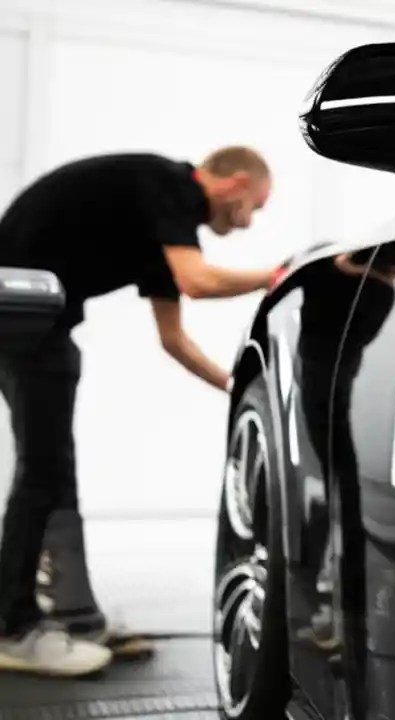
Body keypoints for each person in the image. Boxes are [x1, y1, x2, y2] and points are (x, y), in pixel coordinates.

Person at [0, 146, 280, 676]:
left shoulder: (163, 229)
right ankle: (11, 628)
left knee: (54, 473)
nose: (248, 224)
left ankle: (74, 615)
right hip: (22, 313)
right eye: (255, 208)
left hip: (34, 319)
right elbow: (198, 282)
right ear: (235, 184)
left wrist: (236, 386)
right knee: (42, 474)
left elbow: (174, 340)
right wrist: (277, 276)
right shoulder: (168, 184)